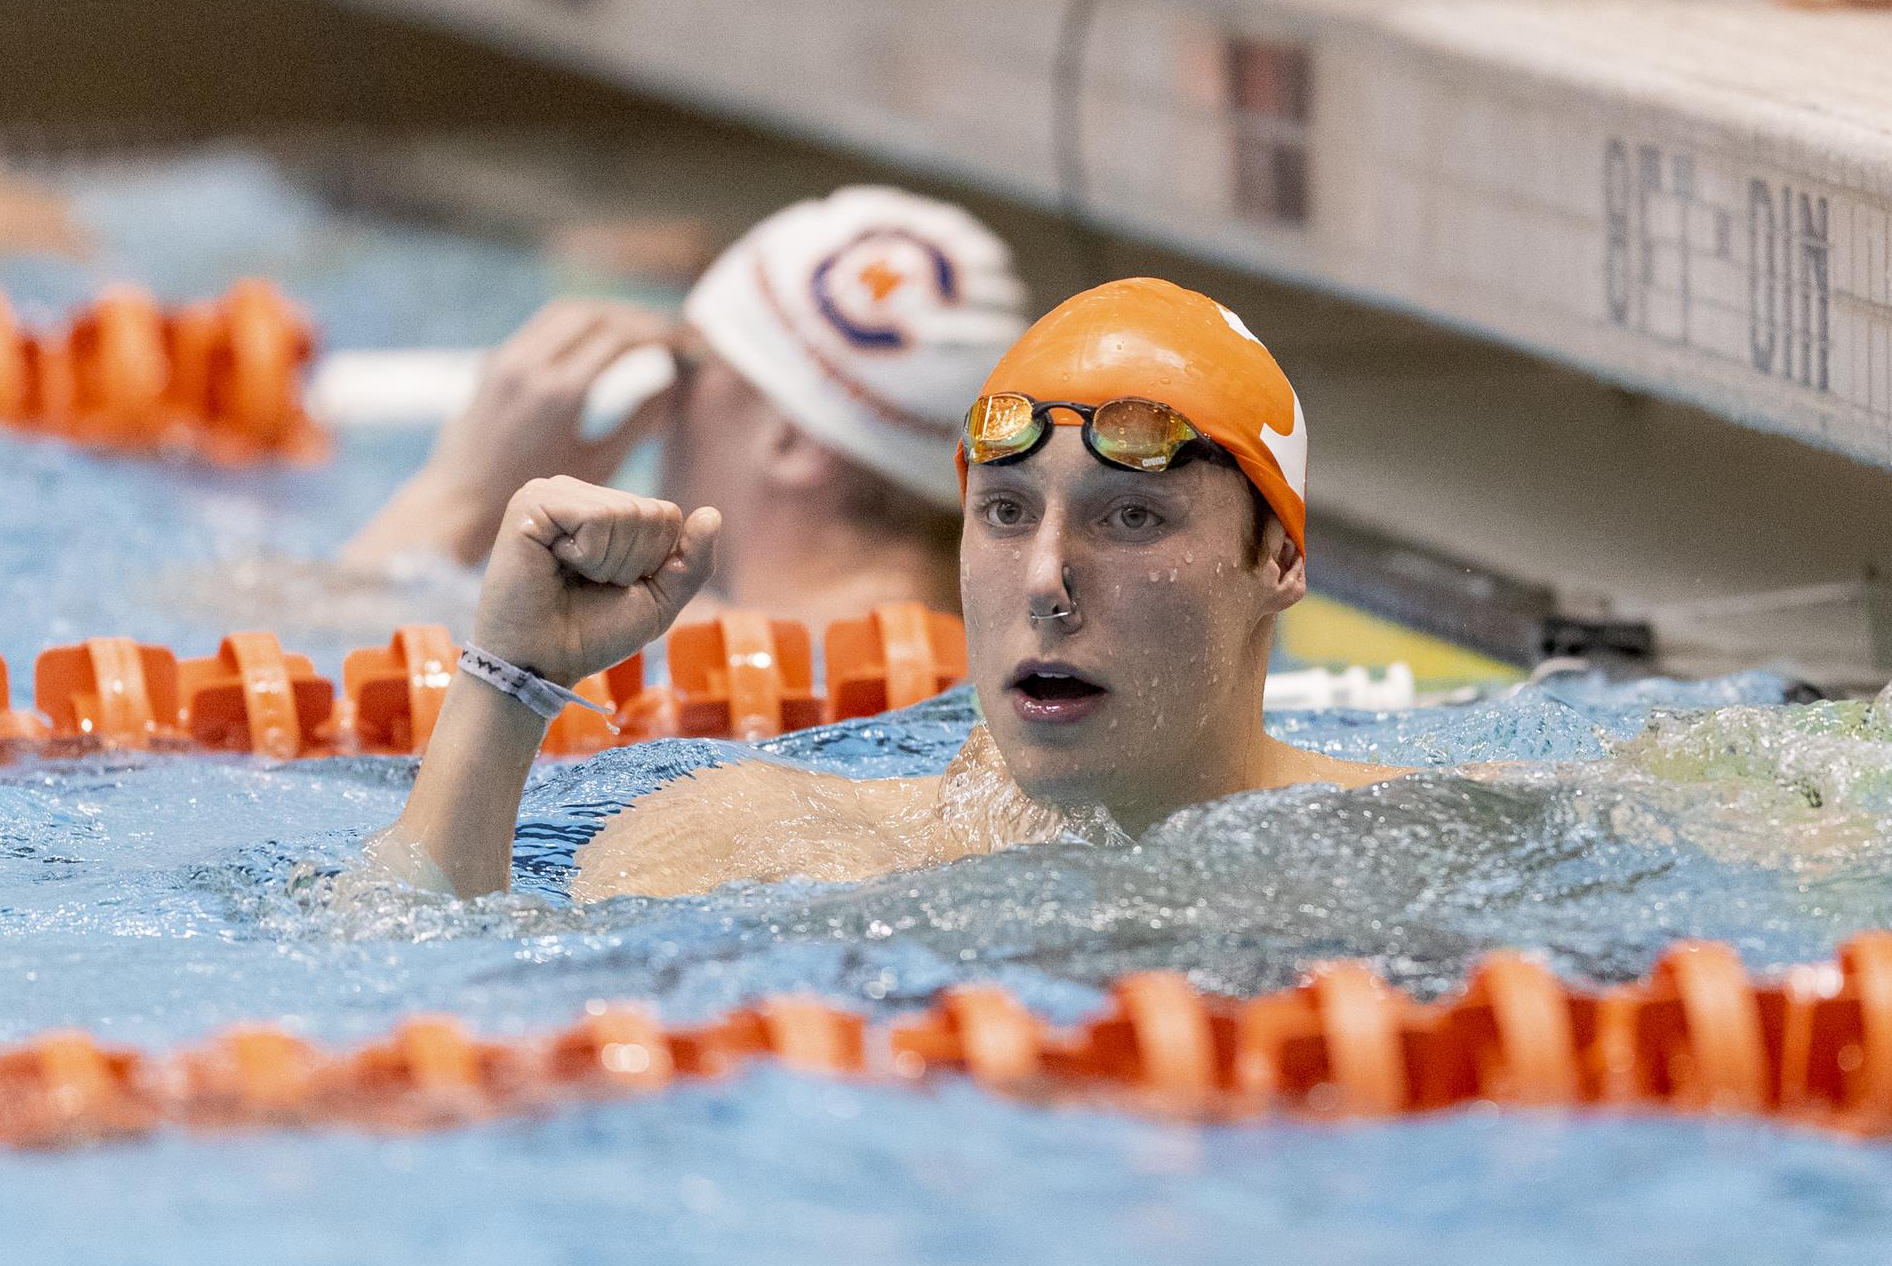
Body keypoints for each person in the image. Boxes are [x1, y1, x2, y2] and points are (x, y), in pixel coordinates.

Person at [360, 276, 1396, 903]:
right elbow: (424, 1002)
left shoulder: (1416, 845)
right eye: (1002, 511)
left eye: (1131, 516)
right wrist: (508, 685)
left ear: (1278, 561)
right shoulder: (753, 837)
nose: (1045, 584)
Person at [342, 185, 1028, 632]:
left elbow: (309, 636)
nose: (667, 408)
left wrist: (456, 497)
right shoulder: (1003, 655)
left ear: (791, 443)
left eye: (689, 368)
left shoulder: (649, 645)